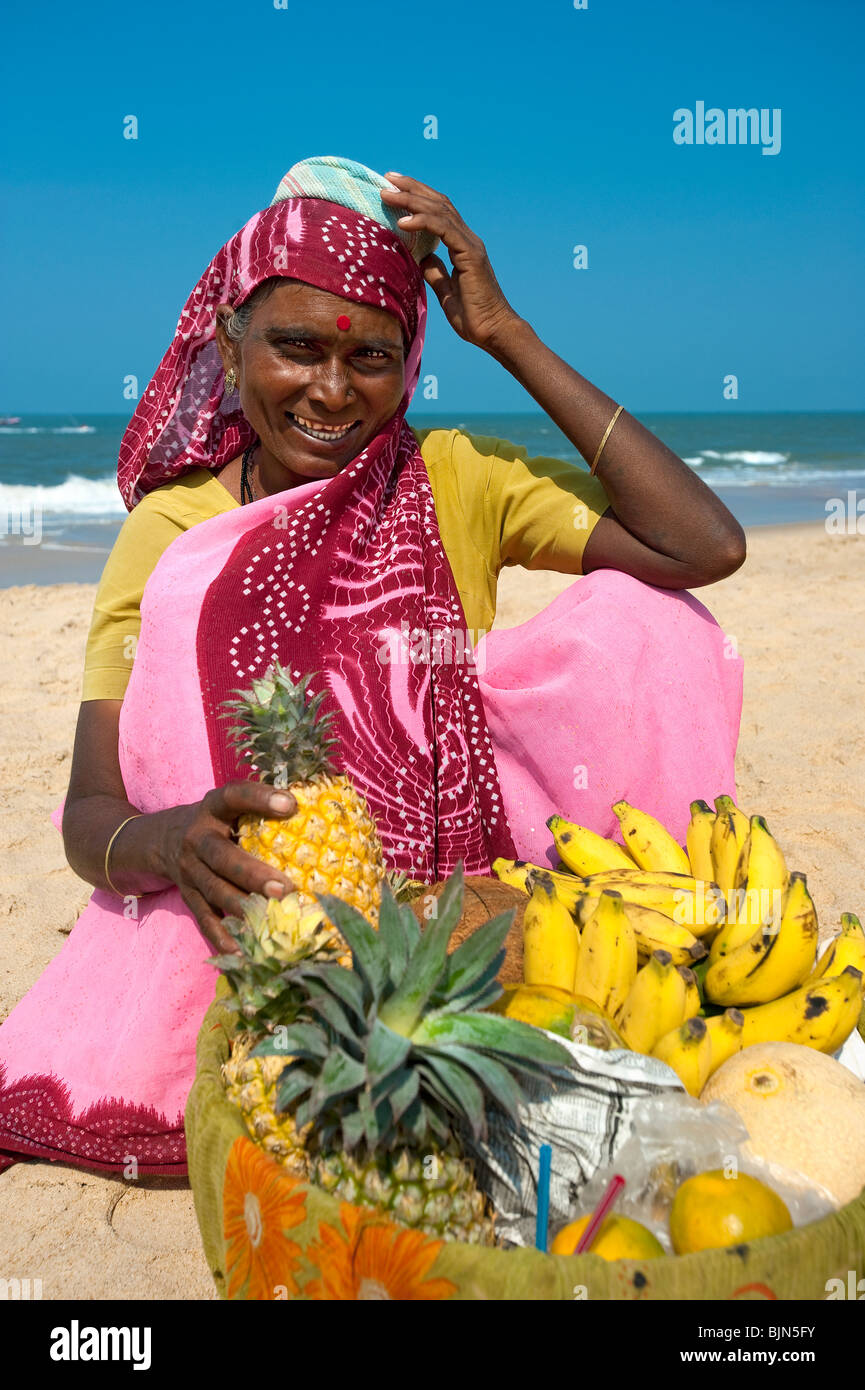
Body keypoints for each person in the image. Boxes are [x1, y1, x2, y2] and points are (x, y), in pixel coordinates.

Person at [0, 156, 744, 1175]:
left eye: (372, 357)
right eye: (295, 347)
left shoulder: (454, 478)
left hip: (451, 907)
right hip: (250, 927)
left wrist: (506, 332)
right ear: (230, 343)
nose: (331, 389)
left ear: (412, 363)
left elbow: (702, 544)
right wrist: (170, 841)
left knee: (650, 615)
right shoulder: (170, 530)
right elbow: (90, 815)